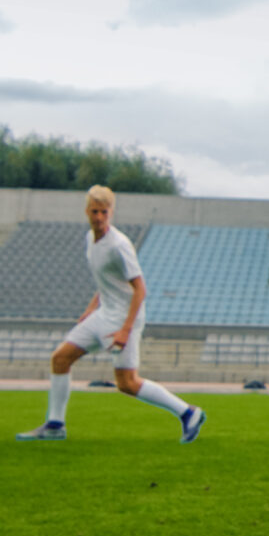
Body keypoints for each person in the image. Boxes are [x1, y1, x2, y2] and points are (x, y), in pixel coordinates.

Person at [17, 185, 206, 444]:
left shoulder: (119, 245)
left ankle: (188, 413)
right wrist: (90, 309)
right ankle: (55, 425)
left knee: (127, 383)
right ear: (87, 211)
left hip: (122, 319)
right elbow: (106, 280)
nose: (99, 217)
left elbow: (140, 289)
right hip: (103, 314)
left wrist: (125, 330)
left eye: (104, 212)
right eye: (94, 211)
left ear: (111, 213)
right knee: (60, 358)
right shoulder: (90, 239)